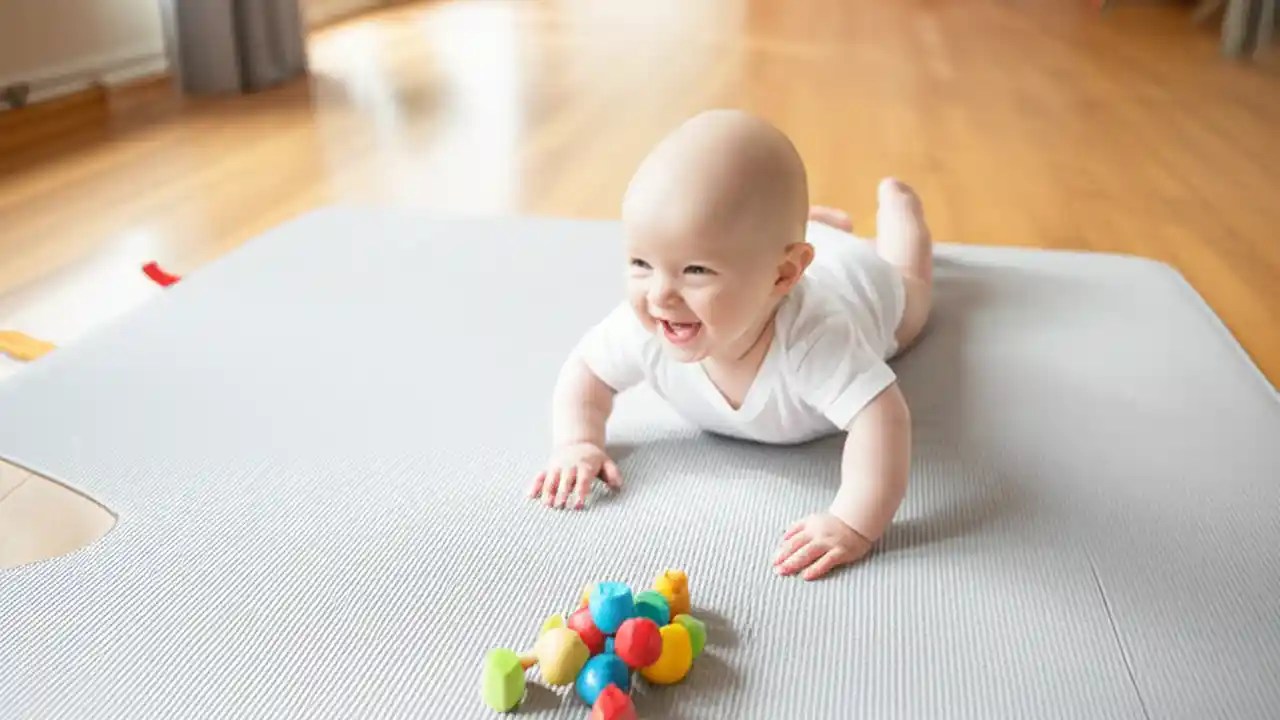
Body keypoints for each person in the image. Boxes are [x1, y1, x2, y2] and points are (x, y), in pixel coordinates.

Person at [528, 109, 934, 581]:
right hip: (779, 254)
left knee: (915, 300)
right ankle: (810, 223)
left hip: (860, 282)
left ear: (783, 275)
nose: (660, 294)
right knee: (752, 235)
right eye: (640, 262)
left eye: (696, 271)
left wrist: (852, 522)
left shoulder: (816, 337)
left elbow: (881, 416)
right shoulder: (647, 326)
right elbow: (587, 371)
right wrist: (578, 442)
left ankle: (901, 218)